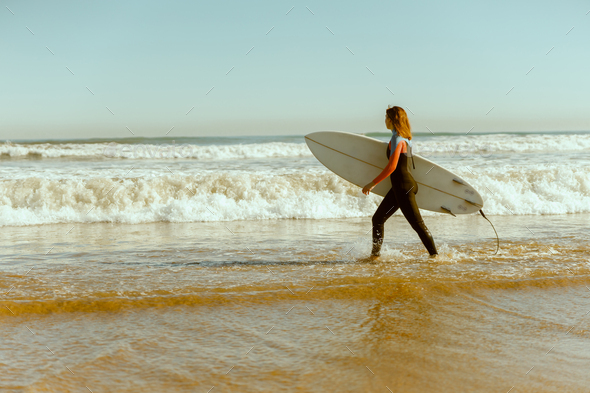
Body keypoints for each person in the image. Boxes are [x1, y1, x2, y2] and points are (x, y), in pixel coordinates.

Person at [362, 106, 438, 258]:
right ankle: (375, 256)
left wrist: (373, 183)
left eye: (386, 117)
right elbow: (409, 163)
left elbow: (392, 166)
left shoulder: (397, 139)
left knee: (417, 224)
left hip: (403, 187)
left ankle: (435, 256)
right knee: (378, 218)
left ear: (391, 120)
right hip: (405, 185)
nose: (384, 120)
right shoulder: (407, 140)